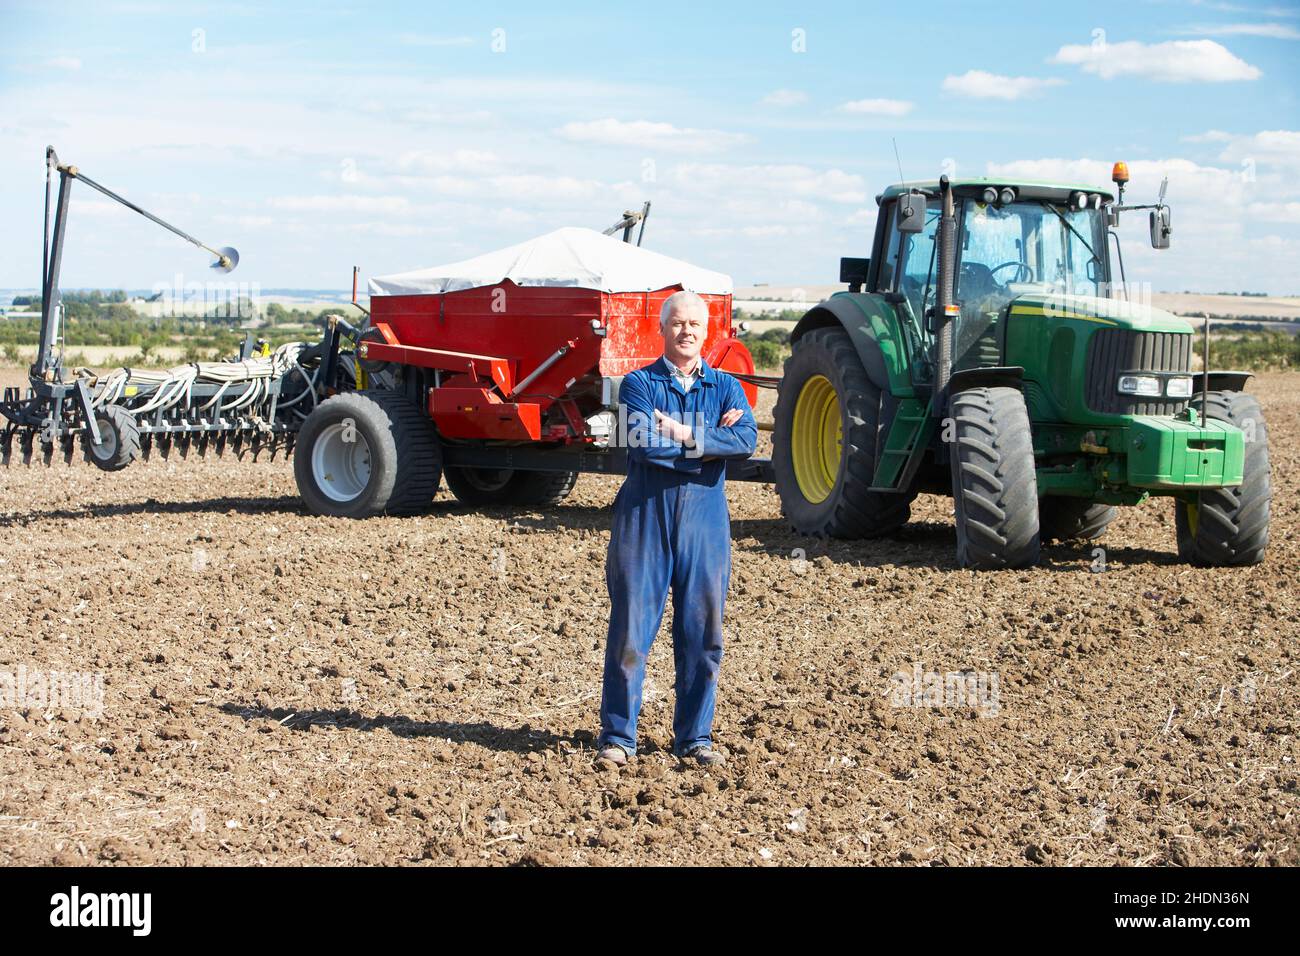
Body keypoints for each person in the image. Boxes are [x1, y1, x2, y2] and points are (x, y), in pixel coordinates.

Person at [595, 290, 758, 767]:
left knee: (702, 633)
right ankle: (618, 738)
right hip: (645, 514)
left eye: (694, 324)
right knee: (631, 630)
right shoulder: (638, 384)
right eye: (677, 323)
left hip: (705, 522)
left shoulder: (726, 387)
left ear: (707, 332)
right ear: (663, 330)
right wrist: (711, 445)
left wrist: (686, 434)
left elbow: (746, 439)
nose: (686, 331)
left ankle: (695, 738)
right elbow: (643, 444)